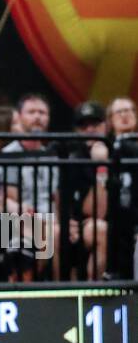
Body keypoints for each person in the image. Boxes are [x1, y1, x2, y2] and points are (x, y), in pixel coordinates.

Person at [1, 93, 59, 283]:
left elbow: (55, 196)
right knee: (38, 227)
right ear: (18, 117)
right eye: (31, 112)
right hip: (20, 216)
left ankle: (64, 290)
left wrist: (63, 221)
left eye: (42, 113)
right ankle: (26, 284)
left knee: (57, 229)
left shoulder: (52, 156)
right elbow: (11, 198)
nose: (37, 117)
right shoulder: (8, 154)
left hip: (49, 217)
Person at [57, 101, 109, 280]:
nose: (90, 129)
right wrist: (101, 168)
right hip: (85, 224)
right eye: (84, 125)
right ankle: (87, 294)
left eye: (95, 124)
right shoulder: (73, 159)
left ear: (105, 126)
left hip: (124, 223)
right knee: (98, 228)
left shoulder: (119, 151)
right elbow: (95, 212)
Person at [107, 97, 138, 277]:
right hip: (117, 216)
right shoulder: (105, 148)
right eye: (120, 111)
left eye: (129, 110)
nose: (125, 115)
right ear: (110, 120)